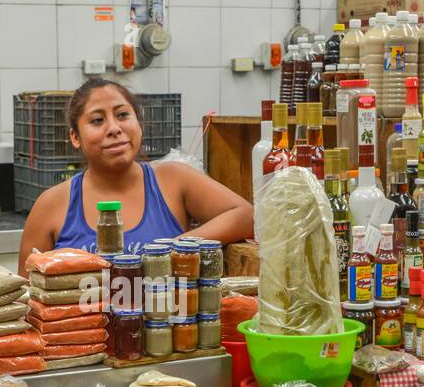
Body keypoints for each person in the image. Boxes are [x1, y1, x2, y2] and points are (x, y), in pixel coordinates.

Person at [18, 78, 253, 272]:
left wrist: (178, 246)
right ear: (75, 137)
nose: (114, 128)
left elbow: (245, 216)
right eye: (97, 120)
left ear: (138, 123)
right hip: (81, 329)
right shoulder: (51, 205)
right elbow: (27, 300)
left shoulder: (173, 179)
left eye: (122, 115)